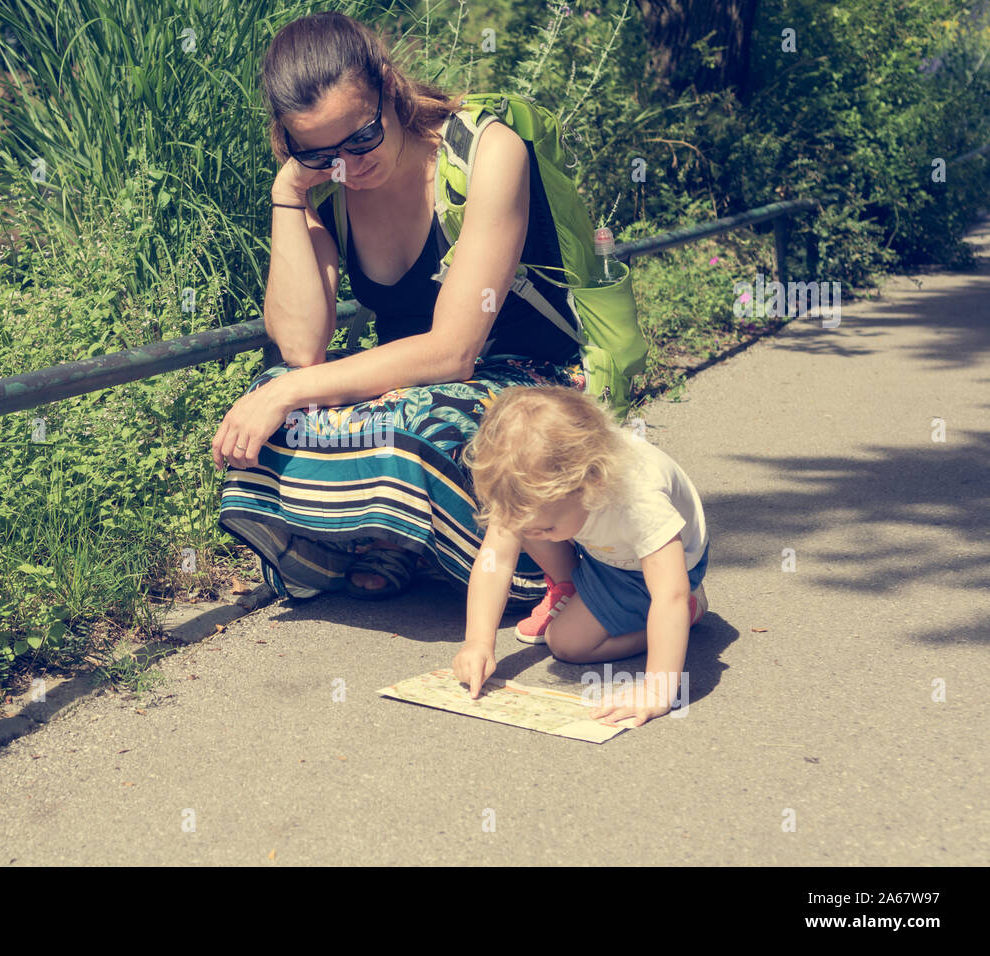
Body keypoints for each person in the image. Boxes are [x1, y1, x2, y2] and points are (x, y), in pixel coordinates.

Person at [214, 11, 588, 604]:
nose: (350, 166)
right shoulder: (327, 185)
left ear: (390, 87)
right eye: (321, 153)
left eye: (362, 137)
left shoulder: (487, 151)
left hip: (529, 386)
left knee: (406, 421)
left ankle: (524, 558)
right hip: (411, 380)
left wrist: (286, 394)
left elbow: (453, 351)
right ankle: (397, 536)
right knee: (278, 383)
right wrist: (288, 194)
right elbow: (301, 347)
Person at [451, 385, 710, 727]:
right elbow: (495, 559)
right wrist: (478, 642)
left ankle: (689, 613)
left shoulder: (638, 497)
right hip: (608, 552)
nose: (533, 537)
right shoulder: (533, 486)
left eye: (545, 527)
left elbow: (669, 592)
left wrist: (657, 690)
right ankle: (569, 587)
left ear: (588, 485)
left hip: (657, 570)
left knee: (568, 644)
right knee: (523, 525)